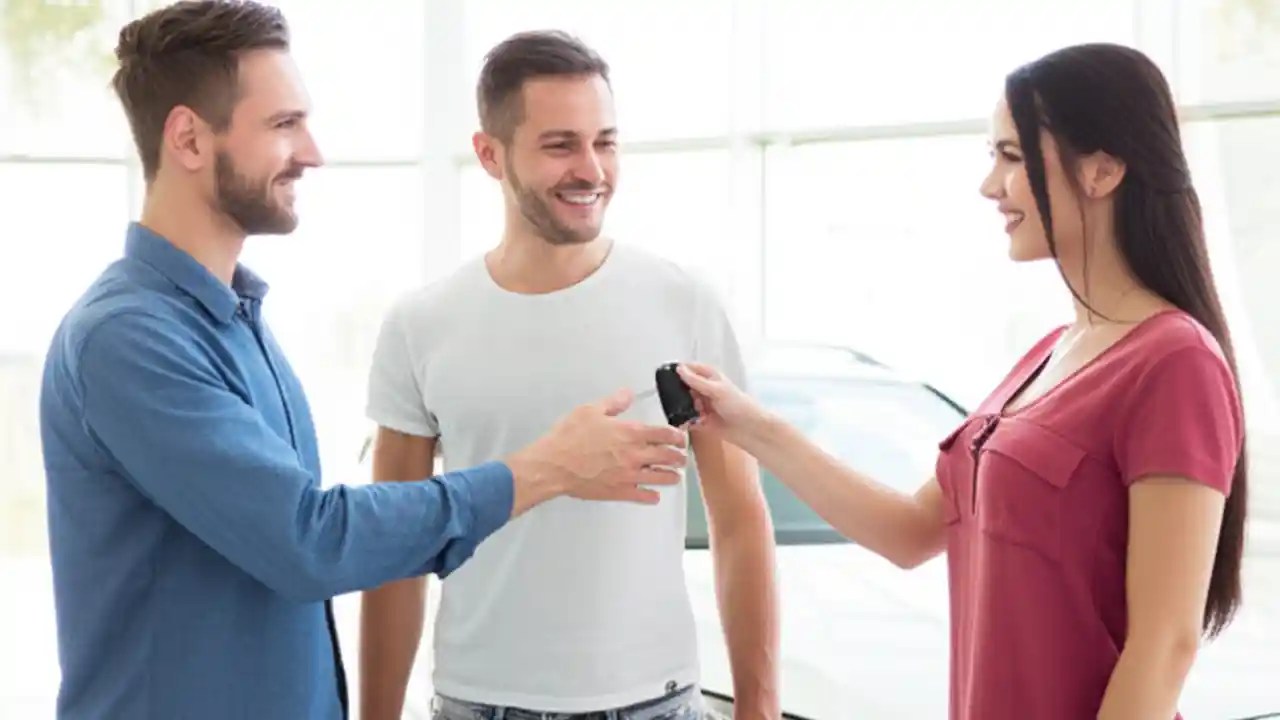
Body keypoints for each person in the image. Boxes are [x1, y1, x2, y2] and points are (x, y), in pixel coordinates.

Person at [38, 4, 690, 719]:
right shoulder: (128, 339)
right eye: (284, 124)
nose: (312, 152)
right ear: (190, 138)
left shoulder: (237, 322)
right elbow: (309, 541)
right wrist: (545, 468)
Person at [675, 43, 1248, 720]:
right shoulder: (1049, 354)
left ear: (1102, 169)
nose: (990, 186)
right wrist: (748, 424)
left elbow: (1165, 644)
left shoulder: (1175, 362)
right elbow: (907, 530)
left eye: (1011, 157)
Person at [359, 30, 780, 720]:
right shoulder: (421, 322)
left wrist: (758, 709)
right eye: (561, 145)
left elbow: (739, 518)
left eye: (605, 141)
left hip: (659, 703)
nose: (592, 169)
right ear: (490, 155)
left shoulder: (682, 301)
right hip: (479, 705)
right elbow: (398, 547)